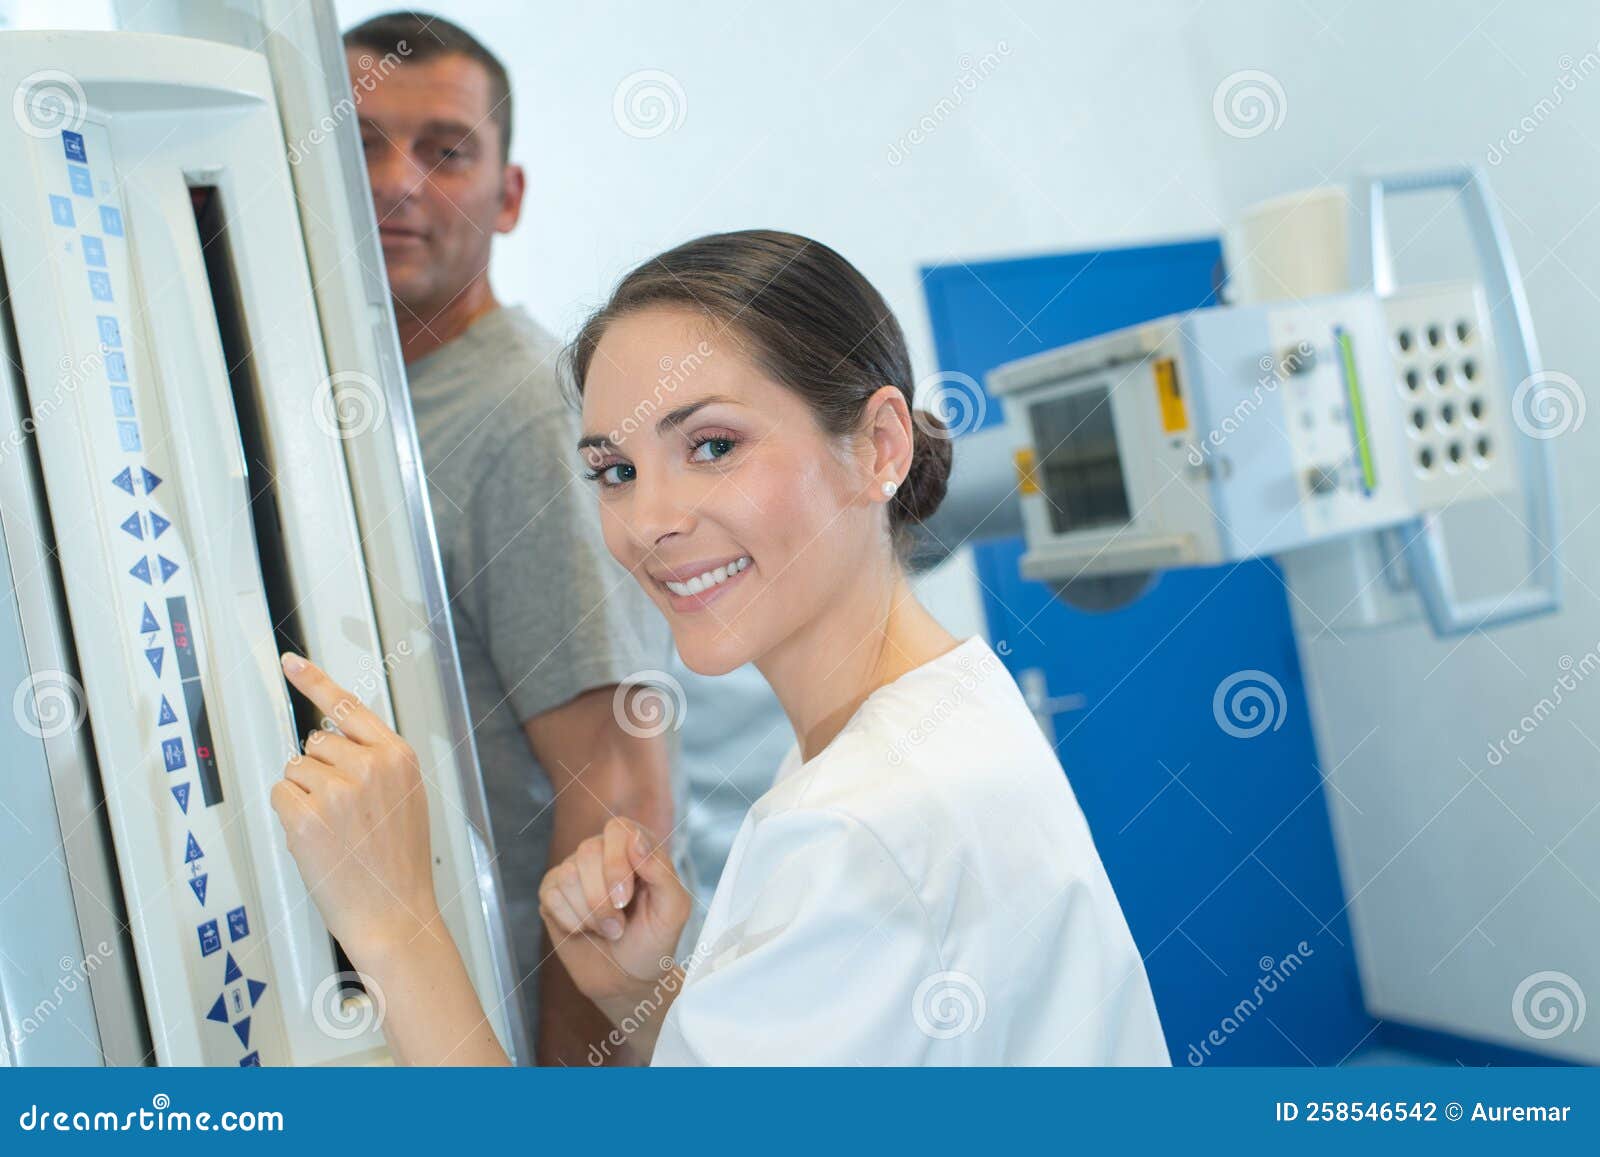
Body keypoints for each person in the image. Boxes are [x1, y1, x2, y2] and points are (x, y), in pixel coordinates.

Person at [271, 229, 1169, 1066]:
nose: (651, 523)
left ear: (878, 446)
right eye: (615, 471)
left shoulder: (860, 828)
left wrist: (390, 920)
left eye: (712, 444)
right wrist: (647, 991)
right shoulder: (935, 711)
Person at [340, 12, 685, 1064]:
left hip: (523, 1038)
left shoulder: (526, 415)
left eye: (446, 151)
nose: (398, 182)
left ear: (509, 192)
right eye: (361, 144)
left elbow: (617, 788)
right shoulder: (367, 403)